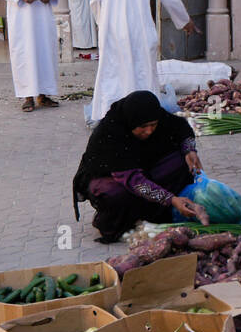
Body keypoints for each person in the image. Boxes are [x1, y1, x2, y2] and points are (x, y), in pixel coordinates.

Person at [88, 0, 198, 123]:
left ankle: (108, 116)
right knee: (143, 74)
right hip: (140, 30)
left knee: (112, 72)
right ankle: (144, 117)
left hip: (111, 31)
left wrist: (102, 22)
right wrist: (185, 21)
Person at [72, 90, 211, 243]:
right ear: (131, 122)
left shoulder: (159, 117)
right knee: (115, 193)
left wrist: (189, 150)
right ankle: (112, 220)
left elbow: (181, 128)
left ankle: (156, 213)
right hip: (111, 177)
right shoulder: (110, 134)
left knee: (180, 162)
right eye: (143, 126)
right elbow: (134, 181)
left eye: (153, 125)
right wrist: (171, 199)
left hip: (142, 168)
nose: (149, 131)